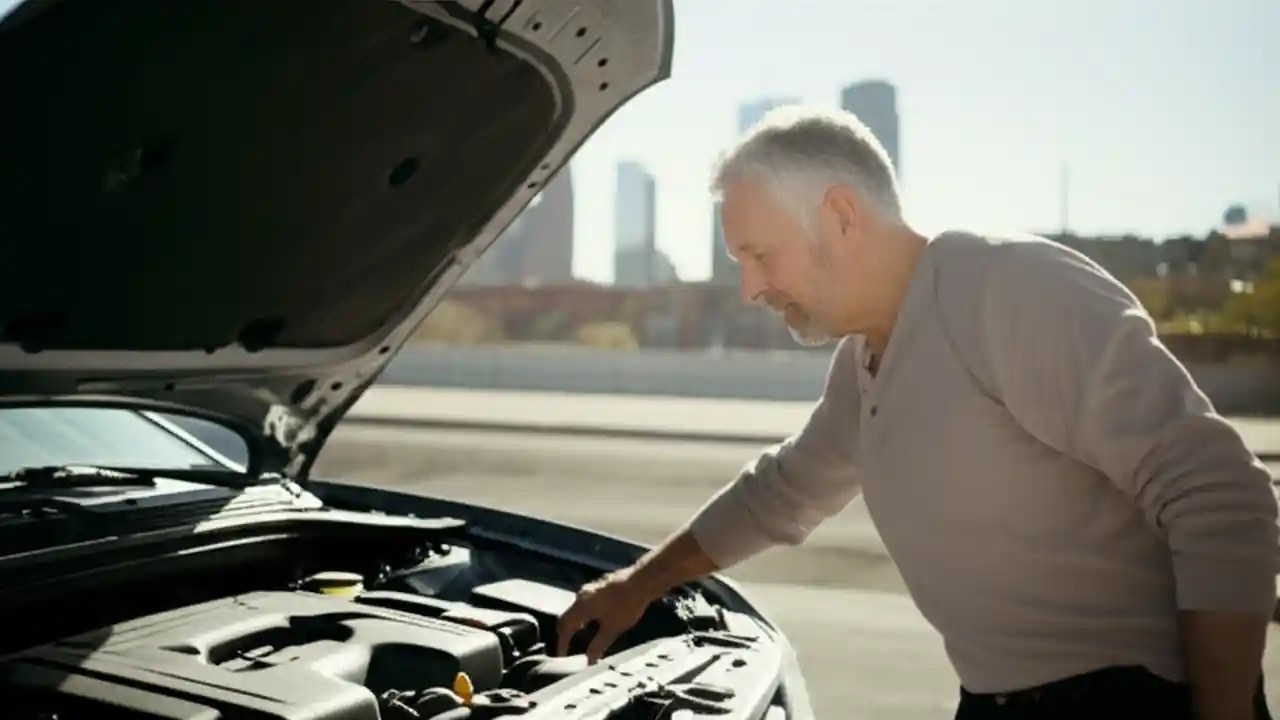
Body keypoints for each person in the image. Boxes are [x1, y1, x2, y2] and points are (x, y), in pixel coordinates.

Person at [555, 105, 1279, 719]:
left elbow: (1223, 499)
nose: (750, 287)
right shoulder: (866, 360)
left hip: (1130, 697)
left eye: (760, 254)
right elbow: (783, 492)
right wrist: (636, 585)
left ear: (840, 215)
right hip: (994, 700)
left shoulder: (1001, 289)